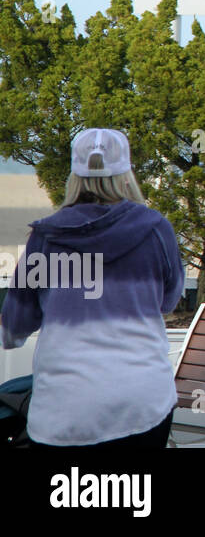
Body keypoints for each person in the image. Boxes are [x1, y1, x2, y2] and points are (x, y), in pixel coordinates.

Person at [1, 128, 184, 447]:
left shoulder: (47, 238)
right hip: (143, 403)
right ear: (126, 174)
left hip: (66, 411)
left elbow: (13, 327)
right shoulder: (156, 229)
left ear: (75, 175)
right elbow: (168, 301)